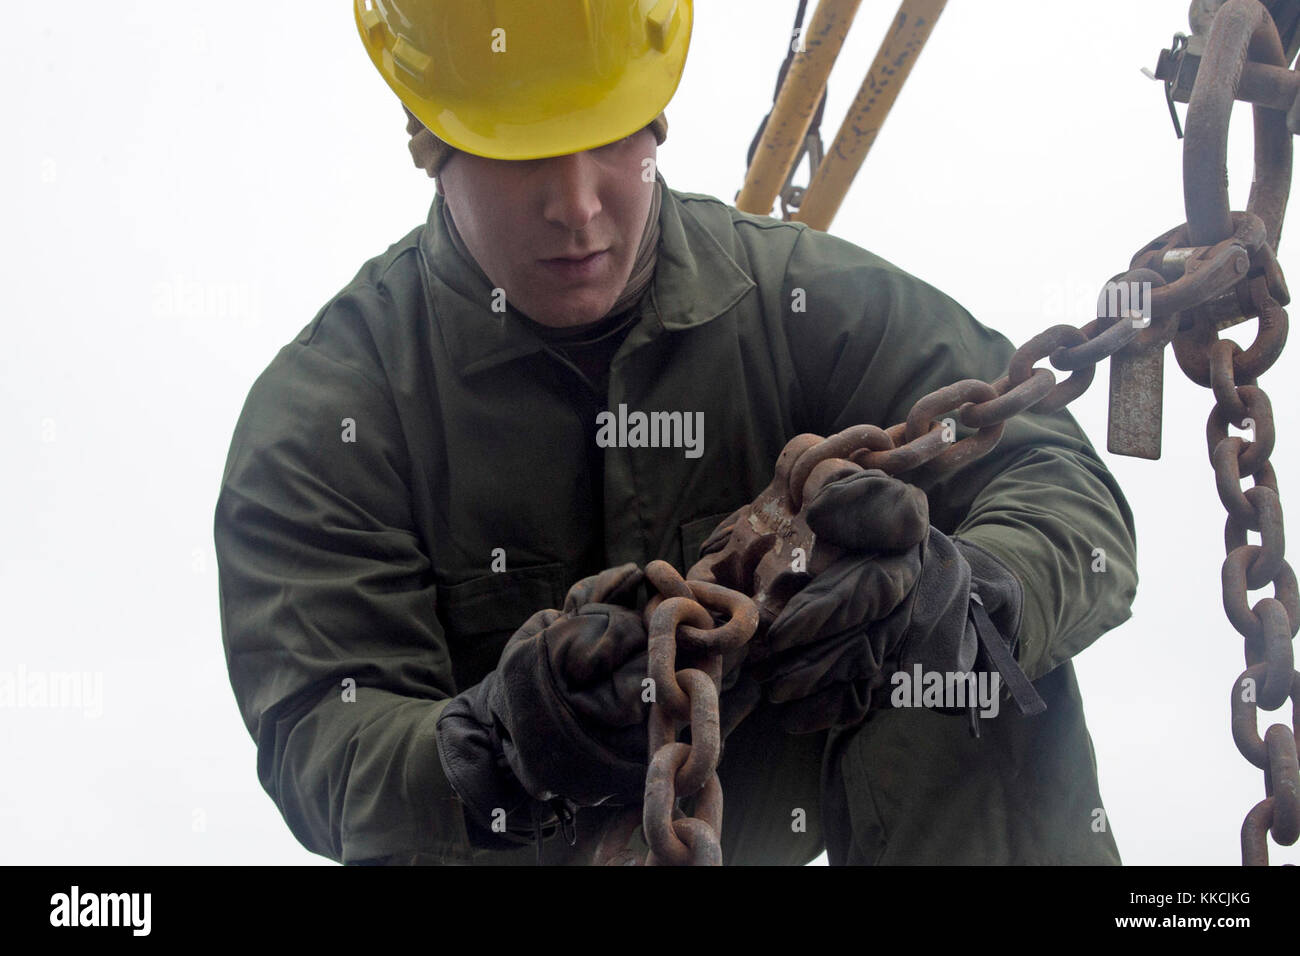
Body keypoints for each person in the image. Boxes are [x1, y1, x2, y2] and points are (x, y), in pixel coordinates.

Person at [214, 0, 1138, 865]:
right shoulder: (333, 412)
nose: (576, 206)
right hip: (534, 842)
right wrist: (498, 744)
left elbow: (1055, 479)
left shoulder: (803, 304)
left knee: (973, 660)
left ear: (656, 123)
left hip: (756, 798)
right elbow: (319, 724)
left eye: (609, 137)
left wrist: (968, 594)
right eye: (524, 151)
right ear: (432, 144)